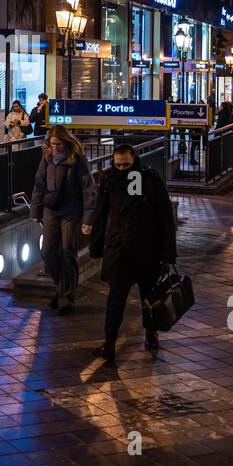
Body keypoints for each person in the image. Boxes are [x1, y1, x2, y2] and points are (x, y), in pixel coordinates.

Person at [85, 144, 176, 361]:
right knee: (116, 299)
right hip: (121, 248)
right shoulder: (109, 179)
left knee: (149, 297)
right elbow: (100, 214)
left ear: (134, 159)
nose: (123, 168)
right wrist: (96, 247)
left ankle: (151, 334)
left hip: (146, 249)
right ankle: (109, 343)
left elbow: (164, 218)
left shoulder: (150, 179)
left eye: (126, 164)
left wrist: (167, 254)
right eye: (118, 165)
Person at [30, 126, 96, 315]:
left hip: (72, 211)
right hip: (52, 209)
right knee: (48, 252)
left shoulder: (77, 160)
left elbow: (88, 189)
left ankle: (67, 298)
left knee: (68, 251)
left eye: (58, 144)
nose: (56, 147)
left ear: (66, 142)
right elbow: (39, 184)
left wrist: (87, 219)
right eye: (52, 144)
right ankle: (60, 289)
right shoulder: (47, 158)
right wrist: (36, 210)